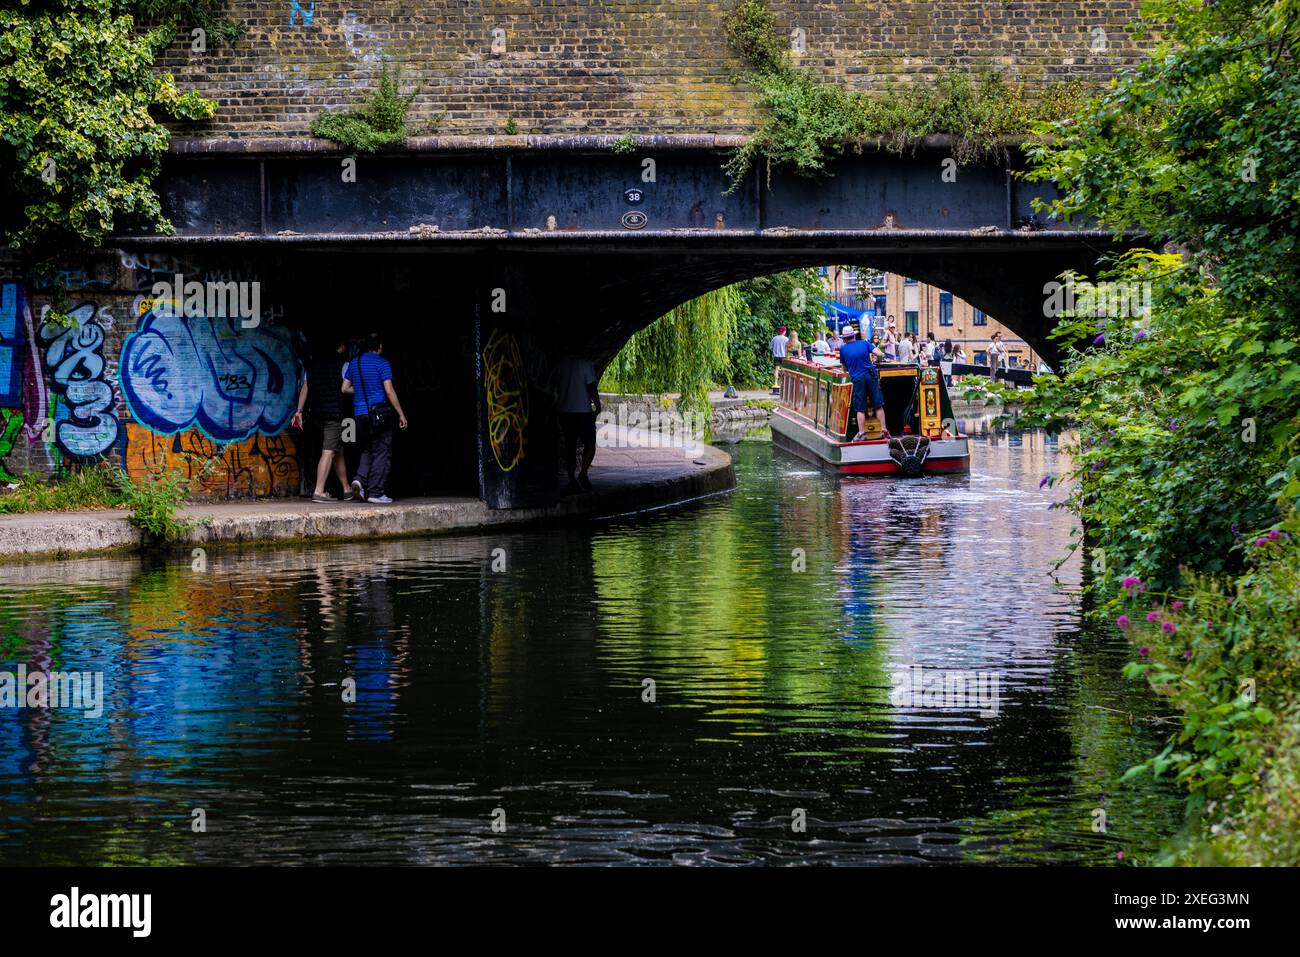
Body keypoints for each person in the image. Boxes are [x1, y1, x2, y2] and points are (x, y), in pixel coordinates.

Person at [342, 332, 409, 504]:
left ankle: (359, 479)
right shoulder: (383, 363)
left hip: (359, 414)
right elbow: (389, 390)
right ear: (379, 347)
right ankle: (376, 492)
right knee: (382, 451)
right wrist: (401, 413)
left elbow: (344, 388)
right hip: (379, 414)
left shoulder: (354, 363)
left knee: (367, 448)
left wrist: (362, 393)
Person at [292, 334, 355, 503]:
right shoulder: (343, 364)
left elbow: (305, 388)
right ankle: (319, 491)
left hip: (317, 414)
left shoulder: (312, 365)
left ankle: (346, 489)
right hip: (334, 414)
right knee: (329, 451)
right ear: (339, 347)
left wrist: (299, 411)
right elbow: (346, 388)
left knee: (336, 449)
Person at [556, 353, 601, 494]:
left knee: (570, 445)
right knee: (590, 444)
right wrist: (598, 406)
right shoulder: (586, 363)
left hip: (565, 410)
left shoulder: (561, 364)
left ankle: (571, 478)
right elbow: (591, 387)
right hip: (583, 411)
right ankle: (583, 473)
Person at [838, 325, 887, 441]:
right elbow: (879, 353)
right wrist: (880, 358)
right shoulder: (864, 343)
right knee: (878, 405)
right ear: (854, 335)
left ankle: (861, 433)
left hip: (858, 380)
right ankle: (884, 431)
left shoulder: (843, 349)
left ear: (844, 339)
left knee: (860, 408)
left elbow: (844, 369)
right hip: (871, 375)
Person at [770, 325, 789, 392]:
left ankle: (775, 382)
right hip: (784, 356)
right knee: (783, 370)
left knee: (776, 369)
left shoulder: (774, 338)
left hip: (776, 356)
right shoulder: (786, 339)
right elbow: (788, 348)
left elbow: (771, 347)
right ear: (784, 331)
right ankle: (782, 383)